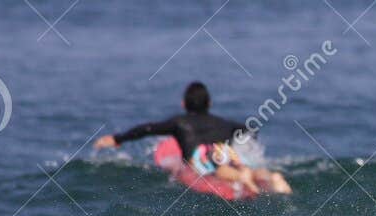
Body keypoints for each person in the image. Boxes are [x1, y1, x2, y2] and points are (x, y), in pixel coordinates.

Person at [93, 82, 292, 195]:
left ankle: (241, 178)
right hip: (223, 155)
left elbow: (147, 129)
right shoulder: (224, 123)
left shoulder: (179, 123)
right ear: (210, 103)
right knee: (232, 167)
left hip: (201, 160)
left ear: (183, 104)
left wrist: (118, 139)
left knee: (218, 172)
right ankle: (268, 177)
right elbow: (250, 130)